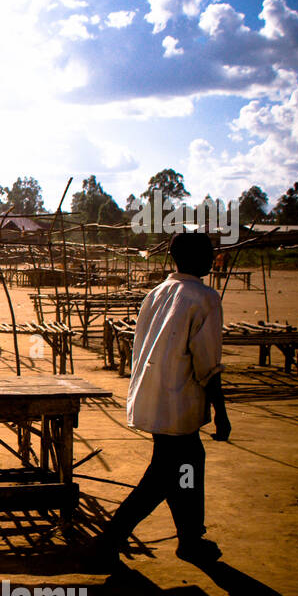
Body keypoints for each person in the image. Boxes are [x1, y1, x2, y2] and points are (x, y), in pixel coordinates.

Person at [90, 231, 230, 568]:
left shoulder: (157, 293)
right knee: (166, 474)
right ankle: (112, 536)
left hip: (152, 398)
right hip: (177, 403)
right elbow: (207, 363)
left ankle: (189, 538)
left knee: (185, 466)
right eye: (209, 253)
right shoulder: (204, 297)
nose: (214, 258)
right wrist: (221, 411)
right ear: (195, 259)